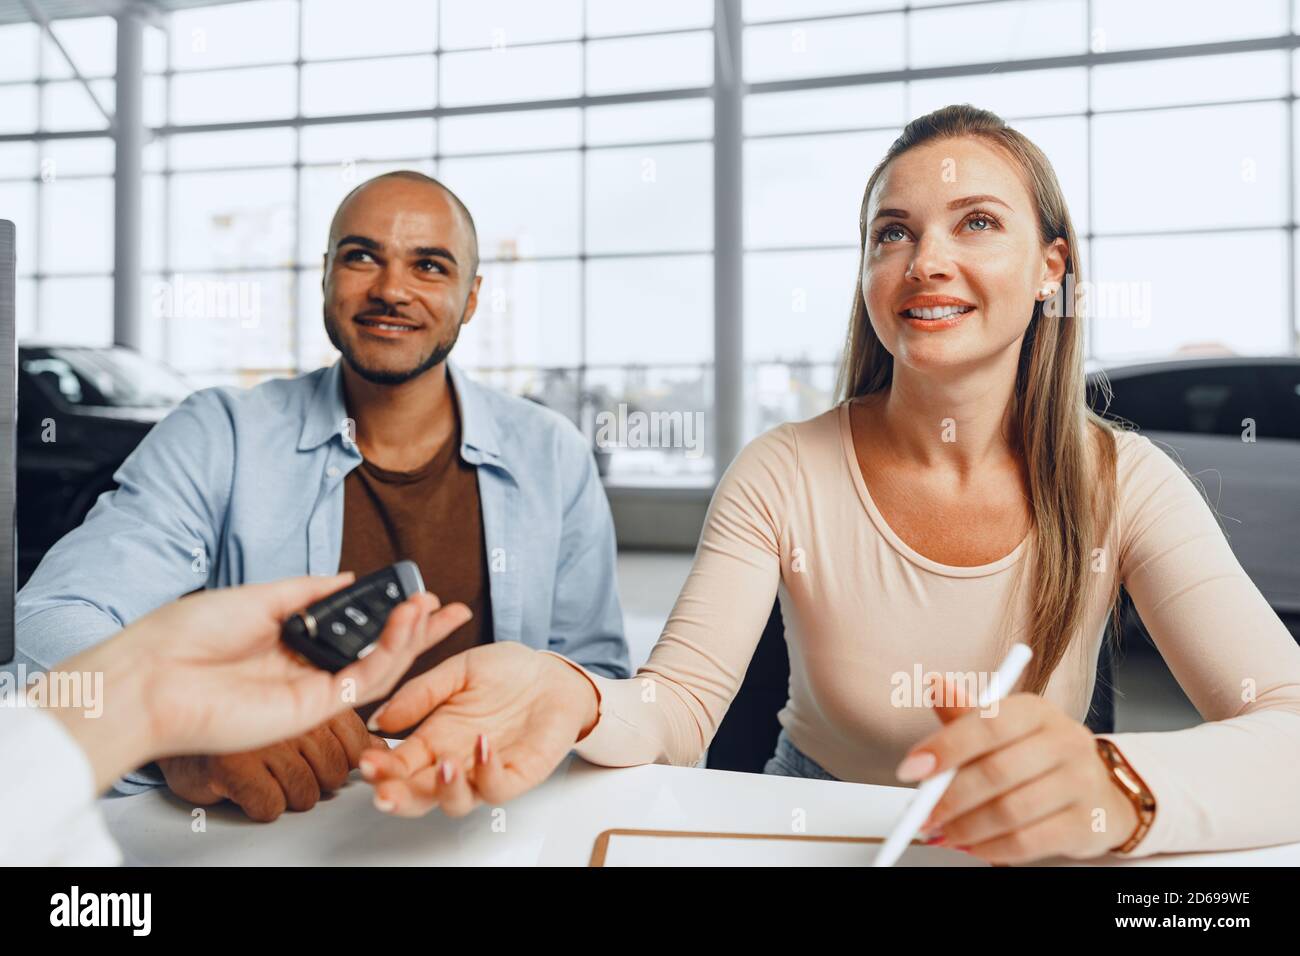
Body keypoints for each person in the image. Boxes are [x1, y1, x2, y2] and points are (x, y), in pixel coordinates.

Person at [356, 105, 1300, 864]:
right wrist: (574, 693)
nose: (926, 260)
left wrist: (1119, 787)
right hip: (800, 825)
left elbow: (1288, 727)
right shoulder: (783, 468)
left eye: (977, 222)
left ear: (1052, 268)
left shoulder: (1125, 480)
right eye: (894, 233)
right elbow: (679, 711)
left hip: (1016, 848)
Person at [15, 170, 630, 820]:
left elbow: (595, 681)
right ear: (326, 275)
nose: (391, 290)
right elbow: (47, 622)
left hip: (485, 821)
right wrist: (184, 722)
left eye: (429, 265)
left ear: (471, 298)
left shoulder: (551, 453)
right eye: (362, 256)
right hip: (267, 829)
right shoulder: (221, 434)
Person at [1, 573, 471, 864]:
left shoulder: (544, 447)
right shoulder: (212, 433)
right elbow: (41, 614)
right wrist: (176, 713)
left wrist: (549, 671)